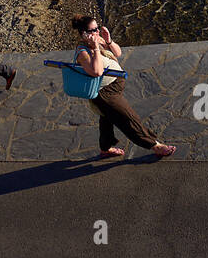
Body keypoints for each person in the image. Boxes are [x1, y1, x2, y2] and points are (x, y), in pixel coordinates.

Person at [72, 16, 176, 159]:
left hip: (114, 87)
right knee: (128, 118)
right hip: (104, 93)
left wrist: (108, 40)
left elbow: (117, 53)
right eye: (93, 30)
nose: (97, 31)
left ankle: (105, 148)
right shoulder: (83, 51)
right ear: (84, 33)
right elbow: (96, 72)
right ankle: (155, 145)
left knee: (107, 118)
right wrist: (96, 48)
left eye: (97, 28)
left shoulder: (100, 40)